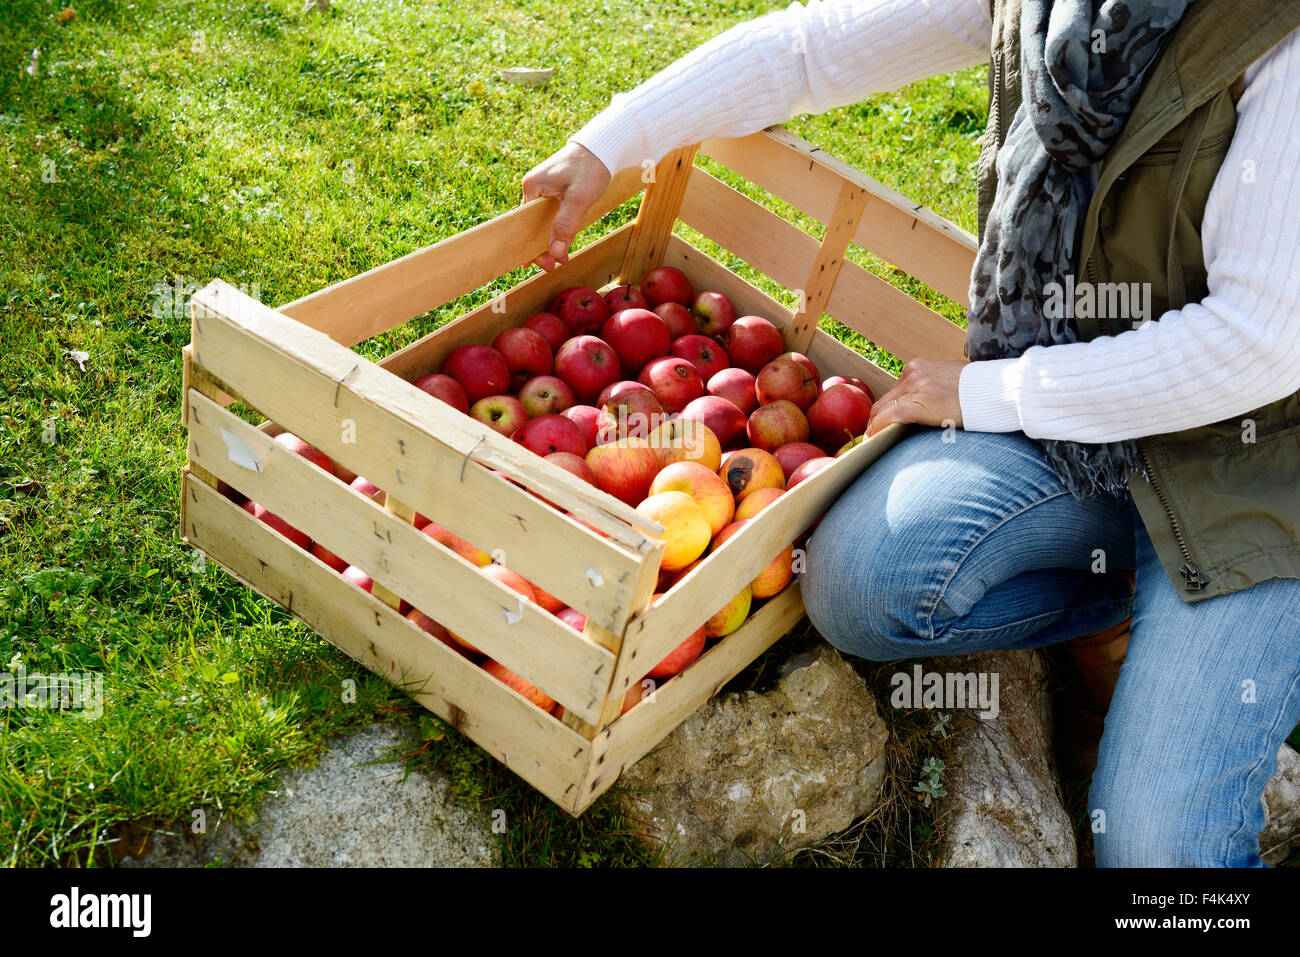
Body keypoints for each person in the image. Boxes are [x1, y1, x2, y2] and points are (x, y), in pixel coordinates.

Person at [521, 0, 1300, 867]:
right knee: (862, 581)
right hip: (1090, 437)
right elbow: (816, 49)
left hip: (1257, 470)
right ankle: (1115, 609)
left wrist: (994, 391)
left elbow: (1263, 342)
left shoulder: (1275, 37)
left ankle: (1178, 646)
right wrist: (616, 136)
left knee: (1162, 857)